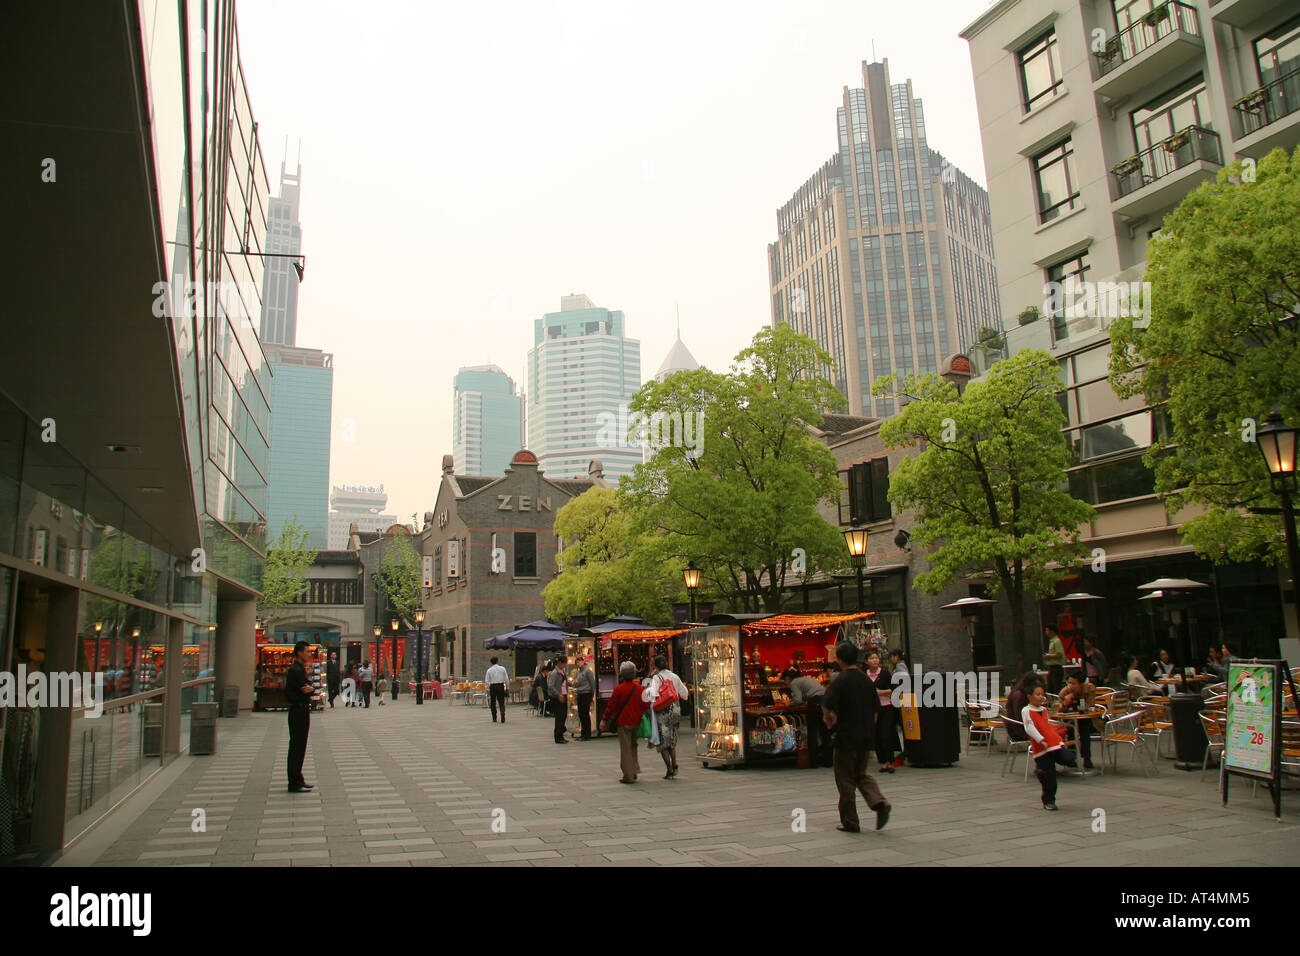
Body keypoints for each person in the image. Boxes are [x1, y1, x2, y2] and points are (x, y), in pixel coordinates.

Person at [822, 642, 891, 833]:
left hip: (846, 736)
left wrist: (829, 719)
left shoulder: (840, 680)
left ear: (840, 659)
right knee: (860, 774)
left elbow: (826, 703)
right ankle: (879, 802)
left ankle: (850, 821)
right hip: (866, 736)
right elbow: (876, 710)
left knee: (845, 779)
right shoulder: (866, 680)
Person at [1022, 680, 1075, 810]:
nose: (1041, 697)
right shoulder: (1026, 710)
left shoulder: (1044, 710)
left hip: (1054, 743)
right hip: (1041, 747)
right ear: (1029, 696)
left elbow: (1047, 727)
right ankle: (1049, 801)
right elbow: (1030, 728)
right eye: (1037, 694)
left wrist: (1057, 739)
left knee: (1069, 758)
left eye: (1042, 694)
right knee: (1049, 778)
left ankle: (1042, 771)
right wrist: (1040, 739)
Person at [643, 655, 689, 778]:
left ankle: (669, 769)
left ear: (656, 666)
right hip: (675, 709)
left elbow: (653, 694)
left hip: (662, 710)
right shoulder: (674, 676)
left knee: (663, 740)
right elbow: (685, 694)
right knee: (672, 737)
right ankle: (674, 762)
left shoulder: (657, 678)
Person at [602, 661, 647, 783]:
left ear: (622, 674)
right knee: (633, 746)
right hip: (636, 721)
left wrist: (604, 720)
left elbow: (611, 706)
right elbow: (646, 704)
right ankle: (634, 770)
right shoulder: (640, 688)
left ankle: (628, 774)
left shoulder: (619, 689)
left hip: (623, 722)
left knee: (625, 748)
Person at [782, 667, 831, 768]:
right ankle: (828, 761)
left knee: (812, 732)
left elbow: (798, 700)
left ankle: (814, 762)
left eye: (785, 680)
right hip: (824, 702)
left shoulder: (794, 683)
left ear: (788, 678)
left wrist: (789, 704)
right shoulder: (808, 679)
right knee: (824, 732)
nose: (785, 683)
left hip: (814, 704)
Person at [285, 640, 315, 793]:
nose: (309, 654)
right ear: (299, 652)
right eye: (307, 651)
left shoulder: (299, 669)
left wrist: (310, 689)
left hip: (301, 710)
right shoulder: (295, 670)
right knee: (297, 746)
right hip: (298, 711)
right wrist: (308, 690)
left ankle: (298, 778)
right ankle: (294, 782)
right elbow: (296, 691)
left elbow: (310, 687)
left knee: (299, 746)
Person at [863, 651, 899, 773]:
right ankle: (883, 762)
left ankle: (890, 762)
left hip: (886, 706)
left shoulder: (884, 673)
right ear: (866, 661)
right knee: (876, 735)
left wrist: (880, 693)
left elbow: (894, 689)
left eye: (876, 658)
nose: (874, 660)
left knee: (886, 734)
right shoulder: (864, 675)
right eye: (871, 658)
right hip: (871, 709)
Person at [1057, 669, 1099, 770]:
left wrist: (1080, 707)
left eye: (1073, 684)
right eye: (1069, 683)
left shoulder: (1089, 688)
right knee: (1072, 729)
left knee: (1084, 729)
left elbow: (1090, 705)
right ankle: (1071, 758)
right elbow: (1058, 710)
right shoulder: (1064, 692)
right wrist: (1065, 703)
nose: (1070, 686)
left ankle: (1086, 758)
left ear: (1081, 684)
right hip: (1069, 721)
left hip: (1088, 720)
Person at [573, 658, 597, 740]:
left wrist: (591, 696)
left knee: (585, 714)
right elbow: (577, 682)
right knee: (581, 714)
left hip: (586, 693)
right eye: (577, 663)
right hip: (580, 693)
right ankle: (583, 733)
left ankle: (587, 734)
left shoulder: (587, 671)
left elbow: (592, 684)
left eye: (579, 662)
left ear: (583, 662)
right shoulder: (579, 672)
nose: (578, 664)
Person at [547, 657, 568, 743]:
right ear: (559, 663)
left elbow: (565, 682)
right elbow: (550, 686)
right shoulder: (554, 673)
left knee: (563, 716)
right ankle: (558, 737)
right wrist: (558, 694)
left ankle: (561, 735)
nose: (564, 665)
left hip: (564, 694)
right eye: (563, 663)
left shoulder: (562, 672)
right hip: (557, 697)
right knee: (559, 717)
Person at [485, 656, 509, 723]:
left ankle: (494, 717)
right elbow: (506, 679)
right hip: (500, 685)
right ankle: (502, 712)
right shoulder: (502, 668)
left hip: (493, 686)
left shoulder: (489, 670)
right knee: (501, 701)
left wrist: (487, 689)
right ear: (497, 661)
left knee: (493, 702)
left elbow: (487, 681)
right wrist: (507, 687)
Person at [1043, 624, 1066, 693]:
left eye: (1047, 630)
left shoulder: (1057, 641)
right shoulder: (1052, 641)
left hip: (1056, 667)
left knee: (1056, 687)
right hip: (1051, 667)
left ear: (1052, 631)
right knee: (1050, 687)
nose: (1046, 632)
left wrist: (1049, 656)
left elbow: (1059, 654)